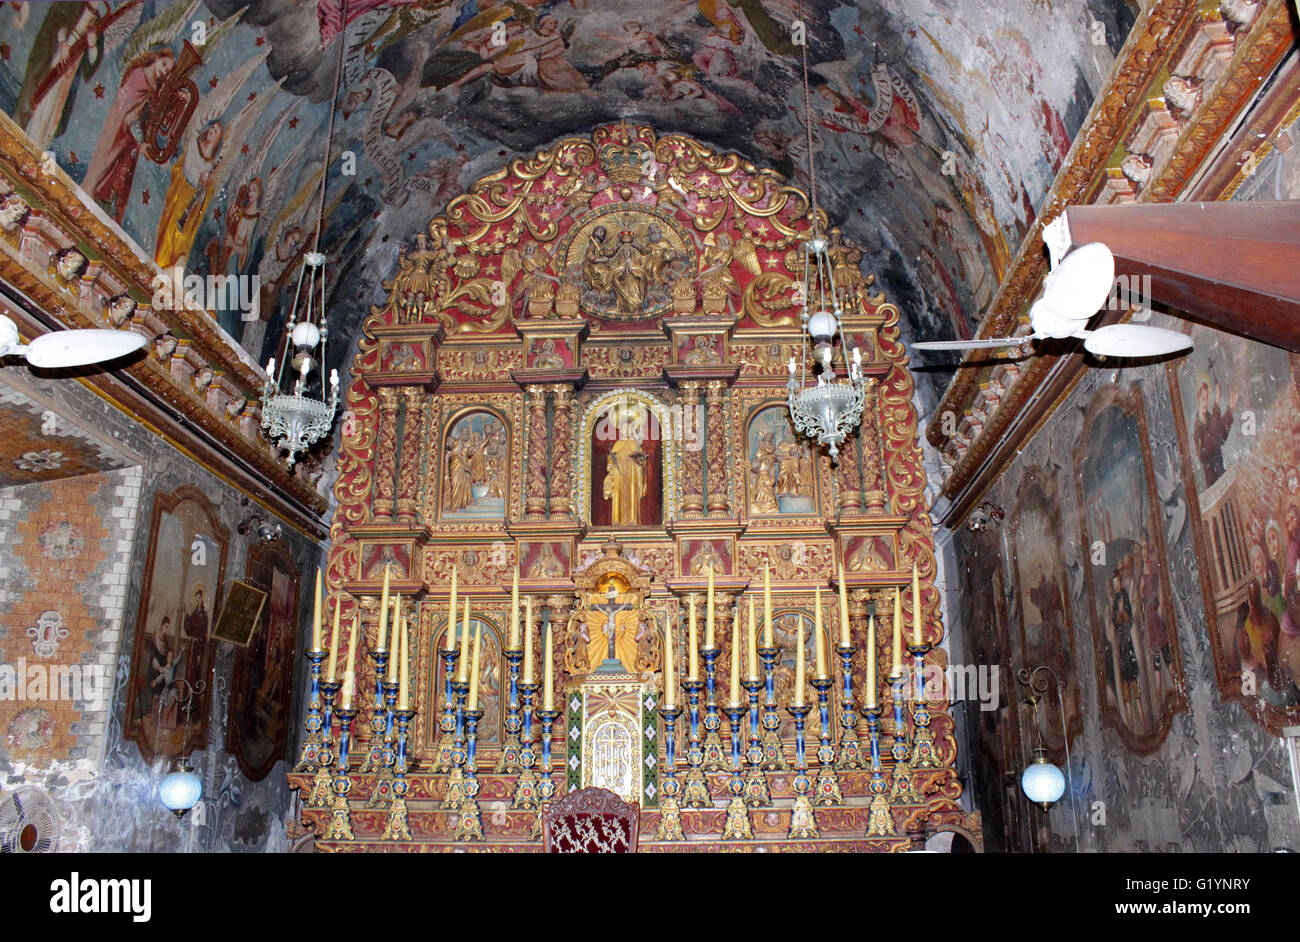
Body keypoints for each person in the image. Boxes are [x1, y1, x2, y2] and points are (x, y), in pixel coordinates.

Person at [603, 435, 647, 525]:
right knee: (617, 492)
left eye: (629, 427)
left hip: (632, 471)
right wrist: (611, 462)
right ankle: (616, 519)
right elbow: (611, 459)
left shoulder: (635, 444)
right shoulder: (617, 444)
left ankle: (633, 519)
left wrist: (640, 458)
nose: (626, 430)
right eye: (624, 428)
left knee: (632, 492)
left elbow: (642, 461)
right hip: (619, 471)